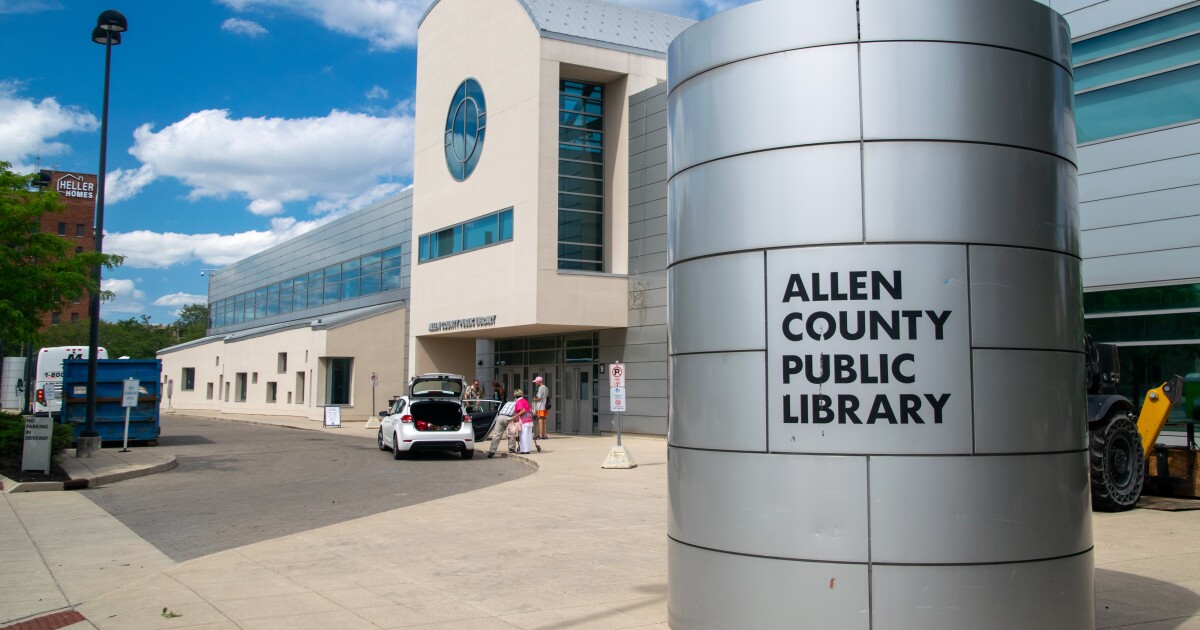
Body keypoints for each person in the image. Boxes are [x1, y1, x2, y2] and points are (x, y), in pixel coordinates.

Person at [533, 375, 550, 439]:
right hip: (545, 406)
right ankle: (544, 434)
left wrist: (535, 399)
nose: (535, 383)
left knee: (540, 419)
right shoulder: (546, 387)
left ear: (539, 381)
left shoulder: (540, 388)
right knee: (544, 420)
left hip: (541, 406)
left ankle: (540, 435)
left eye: (536, 382)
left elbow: (539, 398)